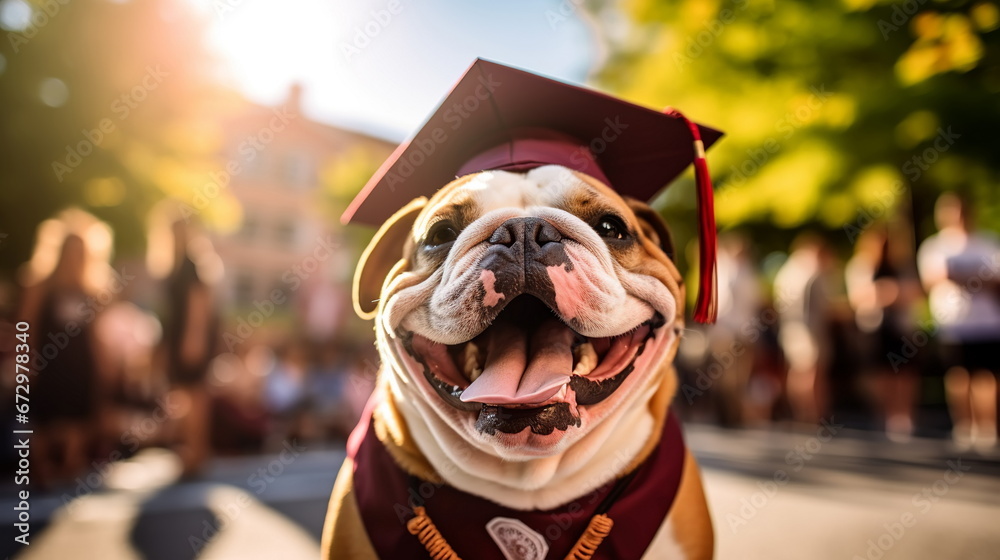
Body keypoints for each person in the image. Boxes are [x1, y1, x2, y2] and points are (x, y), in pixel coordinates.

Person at [18, 210, 113, 486]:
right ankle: (40, 468)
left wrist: (102, 364)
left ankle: (70, 466)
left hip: (79, 364)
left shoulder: (90, 290)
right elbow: (27, 324)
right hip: (48, 361)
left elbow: (95, 334)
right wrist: (26, 360)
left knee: (77, 416)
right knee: (44, 418)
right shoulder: (41, 284)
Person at [917, 193, 1000, 450]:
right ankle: (965, 426)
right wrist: (976, 277)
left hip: (988, 324)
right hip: (953, 323)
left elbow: (995, 281)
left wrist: (957, 275)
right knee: (958, 377)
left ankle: (988, 428)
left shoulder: (988, 242)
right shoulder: (935, 247)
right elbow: (932, 279)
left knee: (988, 377)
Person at [148, 205, 224, 475]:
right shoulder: (174, 263)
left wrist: (193, 340)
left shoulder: (190, 265)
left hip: (189, 340)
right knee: (183, 396)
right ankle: (189, 448)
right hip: (177, 339)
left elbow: (198, 307)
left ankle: (197, 450)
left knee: (194, 397)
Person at [846, 220, 923, 441]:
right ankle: (884, 415)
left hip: (900, 328)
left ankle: (903, 417)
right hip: (874, 328)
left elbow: (913, 292)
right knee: (880, 374)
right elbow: (857, 297)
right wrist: (884, 294)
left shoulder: (901, 264)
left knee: (905, 374)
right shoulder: (861, 266)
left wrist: (889, 293)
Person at [774, 233, 839, 425]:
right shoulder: (809, 274)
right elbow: (823, 307)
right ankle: (814, 413)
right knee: (811, 373)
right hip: (809, 329)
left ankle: (803, 413)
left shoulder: (786, 272)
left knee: (799, 371)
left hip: (792, 328)